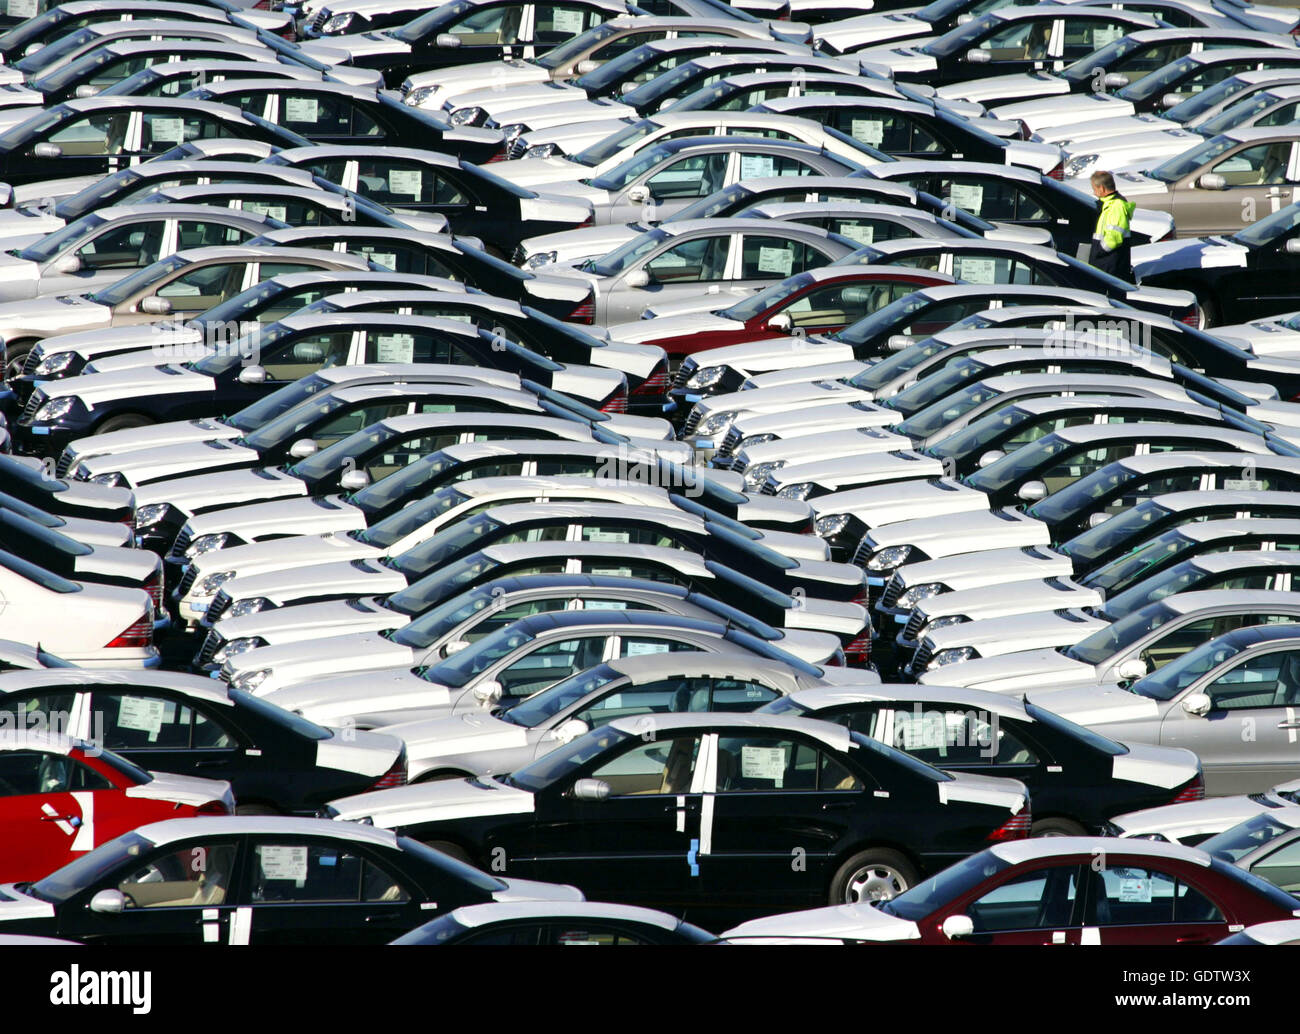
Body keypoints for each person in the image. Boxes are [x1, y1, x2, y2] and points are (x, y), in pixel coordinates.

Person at [1088, 170, 1136, 282]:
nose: (1094, 193)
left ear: (1102, 189)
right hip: (1107, 262)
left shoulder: (1116, 206)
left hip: (1109, 263)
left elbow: (1114, 238)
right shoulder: (1110, 204)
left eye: (1094, 189)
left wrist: (1098, 251)